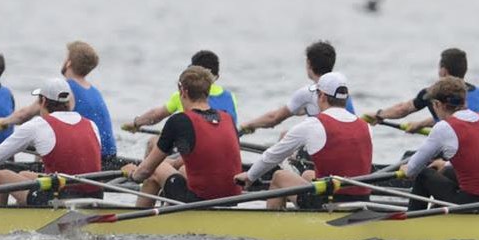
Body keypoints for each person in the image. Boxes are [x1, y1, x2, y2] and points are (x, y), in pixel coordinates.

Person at [239, 72, 373, 210]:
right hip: (362, 199)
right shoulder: (366, 126)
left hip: (328, 203)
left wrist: (250, 176)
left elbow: (274, 155)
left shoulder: (313, 124)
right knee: (308, 175)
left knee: (279, 176)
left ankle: (275, 228)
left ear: (321, 96)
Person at [0, 79, 104, 206]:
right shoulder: (91, 125)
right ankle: (26, 222)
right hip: (95, 198)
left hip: (59, 198)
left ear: (43, 101)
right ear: (69, 102)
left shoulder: (38, 125)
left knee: (0, 176)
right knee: (23, 176)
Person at [122, 66, 241, 207]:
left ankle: (139, 223)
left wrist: (132, 174)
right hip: (231, 199)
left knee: (155, 170)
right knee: (179, 169)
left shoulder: (179, 121)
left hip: (199, 201)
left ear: (183, 91)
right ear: (207, 92)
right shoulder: (227, 118)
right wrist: (174, 163)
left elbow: (146, 170)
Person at [398, 77, 479, 210]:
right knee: (447, 172)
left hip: (474, 202)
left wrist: (405, 169)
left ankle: (413, 222)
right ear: (464, 100)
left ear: (438, 105)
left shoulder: (444, 127)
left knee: (423, 175)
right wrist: (446, 164)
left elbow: (412, 170)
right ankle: (436, 215)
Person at [241, 40, 354, 134]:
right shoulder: (342, 92)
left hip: (327, 146)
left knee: (285, 135)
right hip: (348, 142)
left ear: (309, 63)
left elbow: (273, 118)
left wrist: (249, 124)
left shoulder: (307, 93)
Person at [366, 47, 479, 131]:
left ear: (444, 71)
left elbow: (403, 109)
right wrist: (420, 124)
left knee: (408, 156)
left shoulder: (435, 94)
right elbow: (453, 117)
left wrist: (379, 115)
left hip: (455, 151)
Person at [126, 50, 240, 134]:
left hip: (194, 147)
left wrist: (136, 123)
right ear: (217, 76)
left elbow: (156, 115)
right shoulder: (231, 97)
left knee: (153, 143)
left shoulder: (185, 94)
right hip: (225, 147)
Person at [61, 41, 117, 162]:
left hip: (88, 159)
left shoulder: (65, 88)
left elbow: (25, 114)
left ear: (69, 63)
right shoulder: (95, 91)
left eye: (65, 57)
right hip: (109, 157)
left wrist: (8, 121)